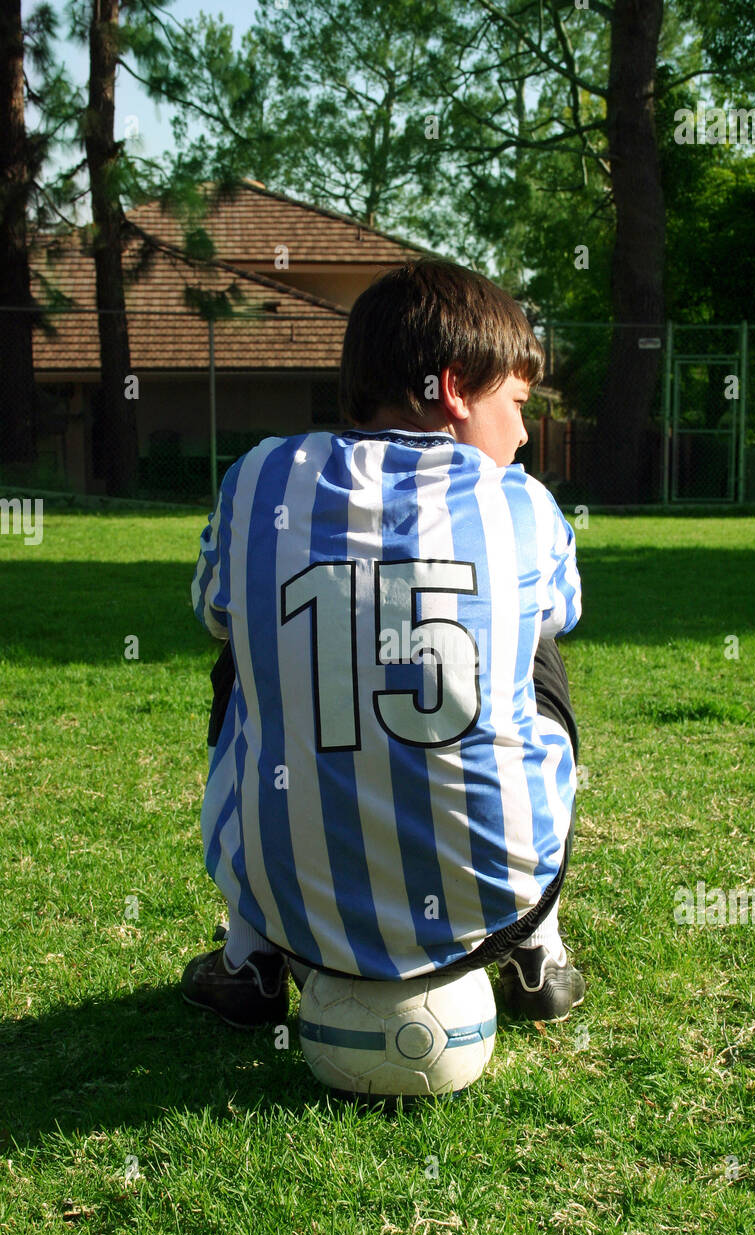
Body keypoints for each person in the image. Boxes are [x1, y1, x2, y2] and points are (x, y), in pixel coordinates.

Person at [181, 257, 584, 1030]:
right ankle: (539, 952)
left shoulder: (260, 477)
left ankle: (250, 958)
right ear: (456, 387)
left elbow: (213, 613)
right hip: (494, 899)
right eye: (518, 401)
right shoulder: (523, 505)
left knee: (242, 653)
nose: (527, 432)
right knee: (533, 651)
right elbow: (554, 617)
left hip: (285, 897)